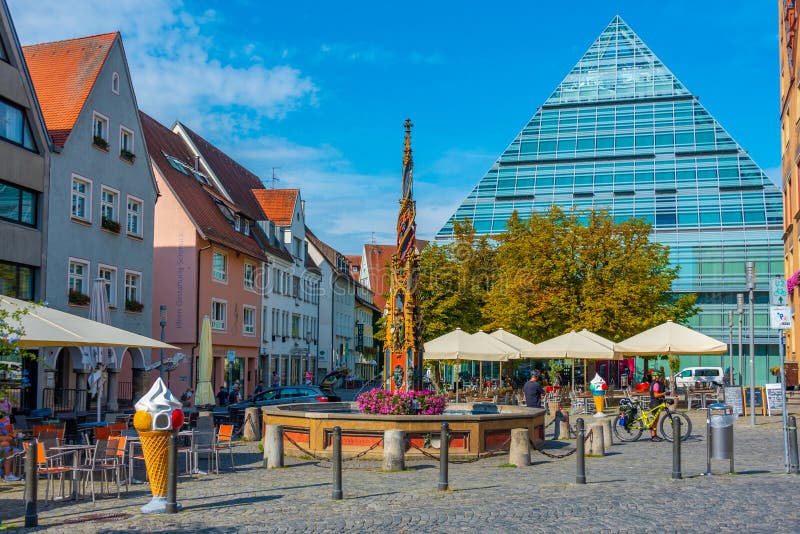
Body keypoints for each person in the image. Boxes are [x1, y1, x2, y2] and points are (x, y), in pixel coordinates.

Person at [649, 370, 667, 442]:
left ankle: (655, 435)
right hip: (655, 403)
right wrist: (664, 393)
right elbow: (656, 395)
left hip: (656, 403)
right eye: (660, 376)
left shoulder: (656, 383)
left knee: (656, 420)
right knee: (654, 420)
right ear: (657, 377)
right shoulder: (656, 384)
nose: (661, 378)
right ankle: (653, 436)